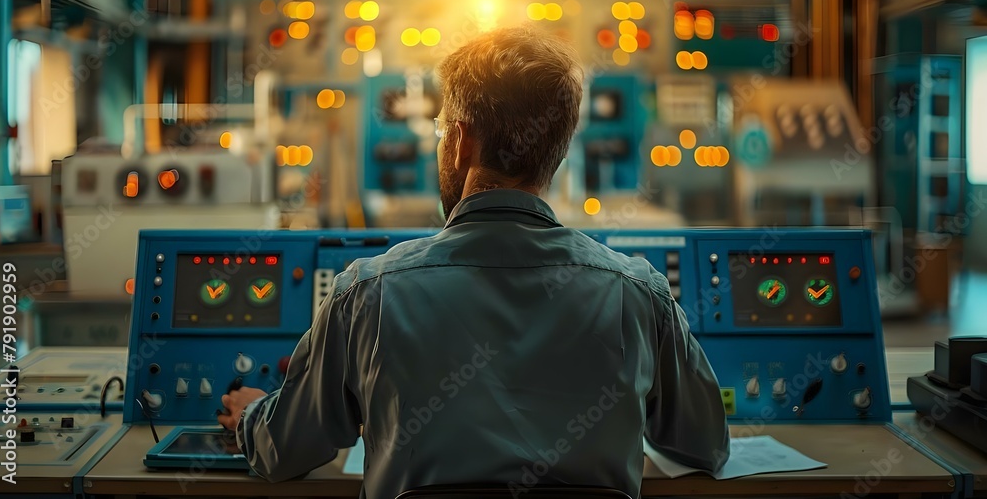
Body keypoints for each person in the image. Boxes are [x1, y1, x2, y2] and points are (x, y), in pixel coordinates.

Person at [218, 26, 730, 499]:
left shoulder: (367, 294)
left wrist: (251, 417)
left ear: (461, 142)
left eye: (443, 131)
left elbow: (283, 451)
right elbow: (707, 445)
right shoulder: (639, 296)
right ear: (558, 150)